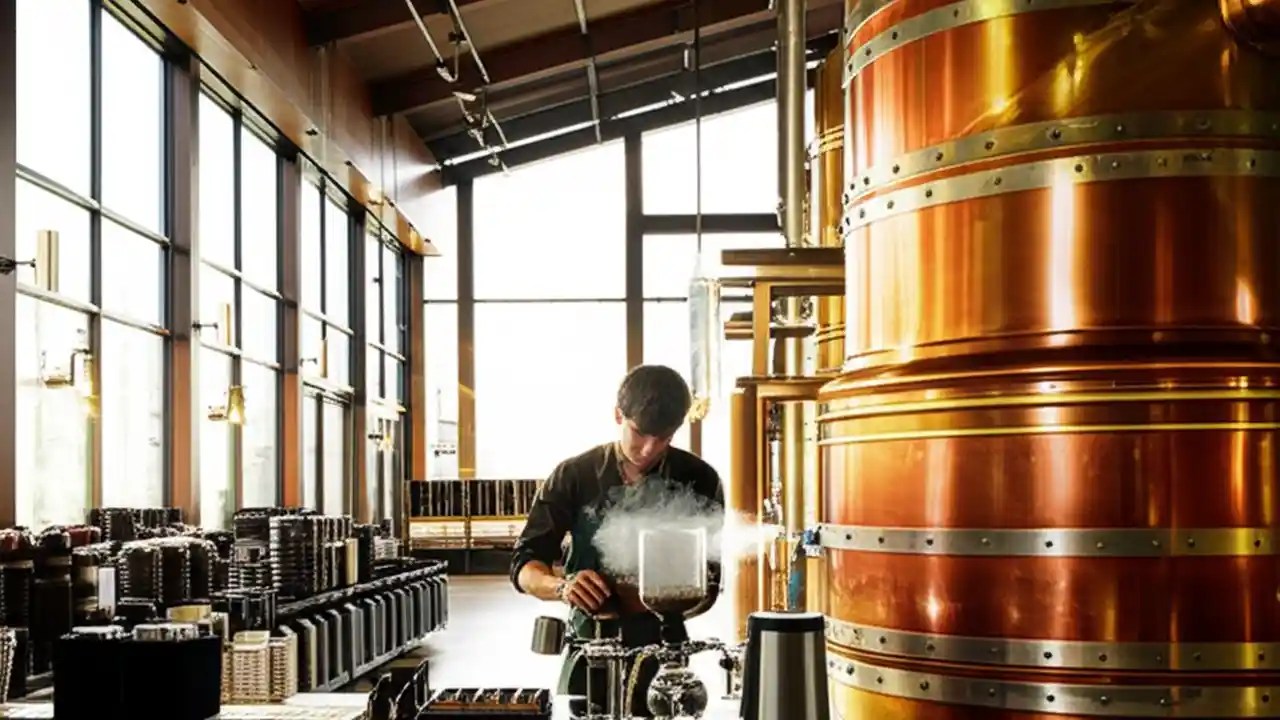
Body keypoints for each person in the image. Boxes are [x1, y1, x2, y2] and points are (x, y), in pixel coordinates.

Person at [510, 364, 725, 718]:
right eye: (639, 433)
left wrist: (654, 597)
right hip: (588, 647)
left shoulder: (699, 479)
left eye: (665, 437)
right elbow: (525, 564)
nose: (649, 449)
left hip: (665, 654)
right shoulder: (573, 475)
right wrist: (563, 588)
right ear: (617, 414)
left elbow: (709, 584)